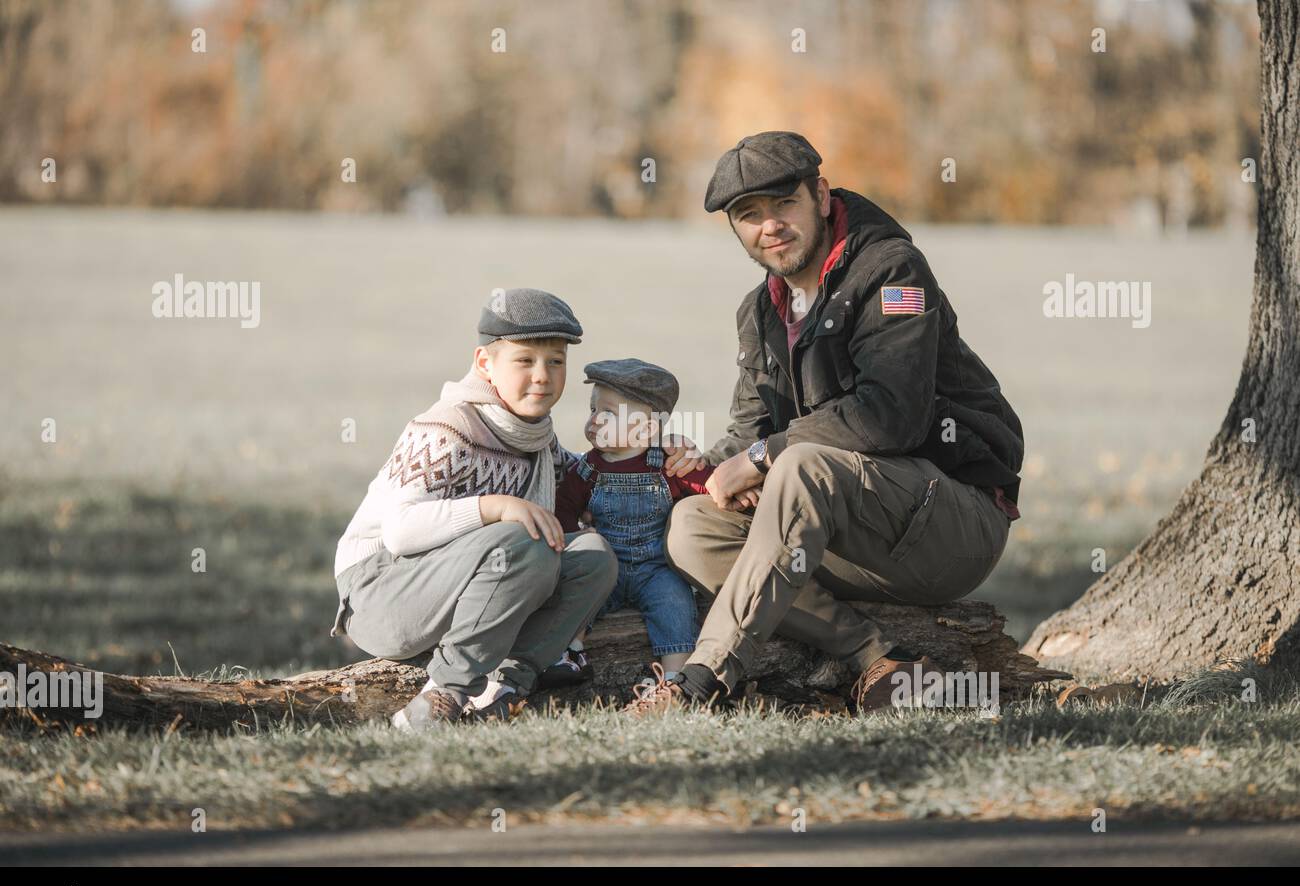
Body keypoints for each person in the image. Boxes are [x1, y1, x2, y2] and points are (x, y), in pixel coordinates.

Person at [626, 131, 1025, 716]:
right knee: (692, 527)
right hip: (851, 532)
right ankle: (875, 659)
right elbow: (751, 427)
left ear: (820, 193)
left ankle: (702, 680)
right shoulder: (761, 310)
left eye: (784, 204)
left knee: (801, 464)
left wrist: (763, 458)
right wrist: (708, 465)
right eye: (749, 215)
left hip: (950, 522)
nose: (770, 226)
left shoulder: (894, 273)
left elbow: (892, 415)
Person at [330, 288, 618, 729]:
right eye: (525, 360)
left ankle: (504, 688)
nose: (542, 376)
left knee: (593, 555)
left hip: (454, 590)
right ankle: (441, 695)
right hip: (380, 592)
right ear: (485, 363)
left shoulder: (536, 437)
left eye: (556, 361)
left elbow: (588, 479)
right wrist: (496, 506)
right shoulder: (449, 426)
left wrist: (666, 461)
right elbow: (400, 532)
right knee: (524, 537)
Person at [548, 359, 714, 687]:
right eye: (592, 409)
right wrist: (573, 537)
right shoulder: (587, 468)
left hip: (657, 567)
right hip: (608, 565)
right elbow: (564, 507)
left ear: (647, 429)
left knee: (675, 605)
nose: (593, 421)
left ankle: (674, 677)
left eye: (607, 414)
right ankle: (570, 653)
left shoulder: (668, 462)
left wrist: (726, 487)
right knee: (578, 595)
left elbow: (708, 485)